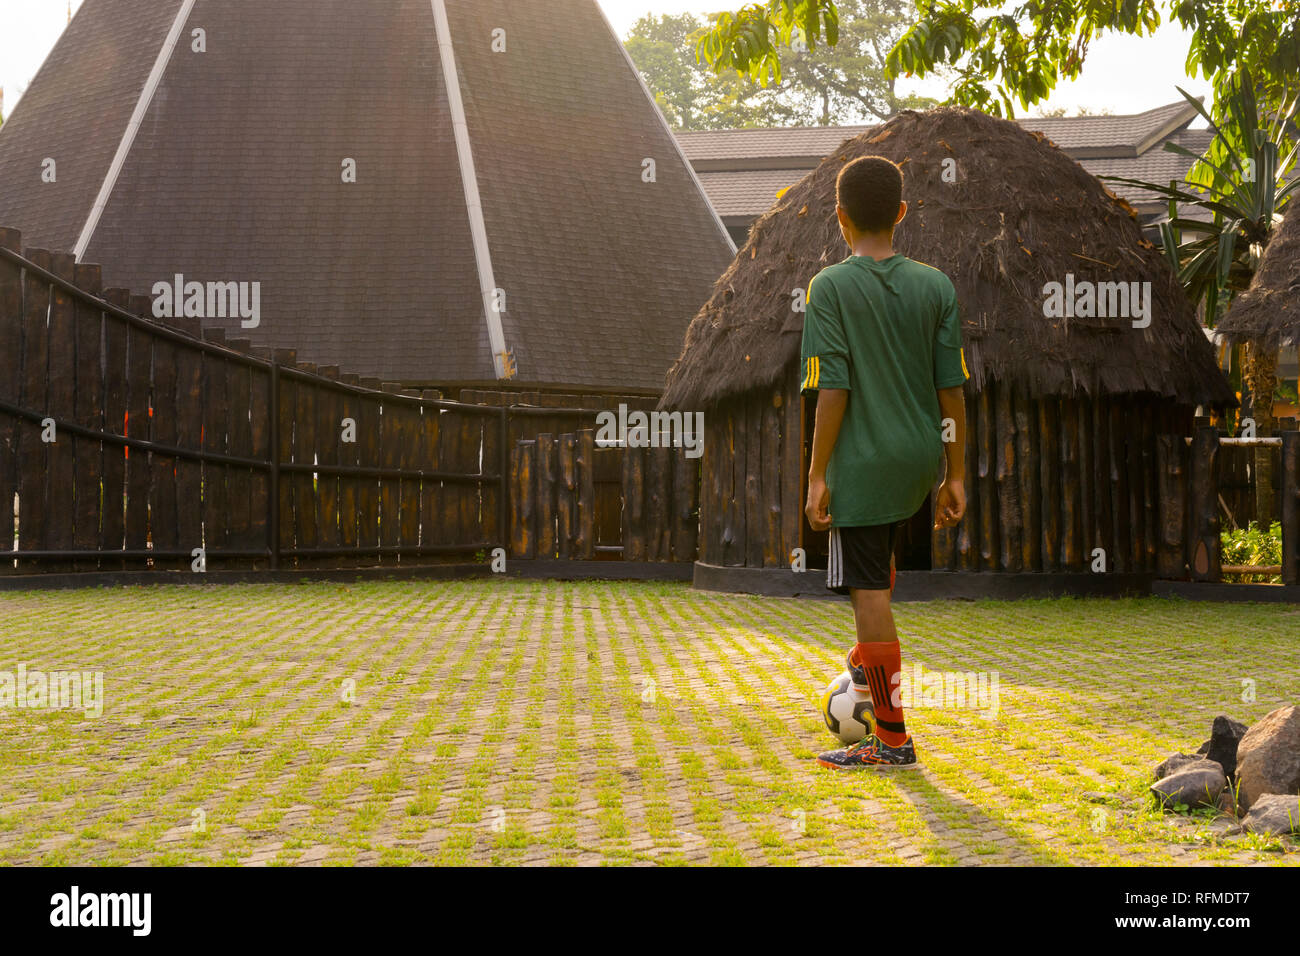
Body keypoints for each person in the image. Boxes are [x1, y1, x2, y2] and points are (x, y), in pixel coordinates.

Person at [801, 155, 968, 770]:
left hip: (865, 465)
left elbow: (833, 388)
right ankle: (861, 665)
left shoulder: (830, 287)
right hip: (920, 460)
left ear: (840, 218)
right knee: (883, 568)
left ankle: (892, 739)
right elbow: (951, 389)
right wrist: (956, 473)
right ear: (900, 213)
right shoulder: (937, 286)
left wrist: (818, 475)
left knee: (869, 595)